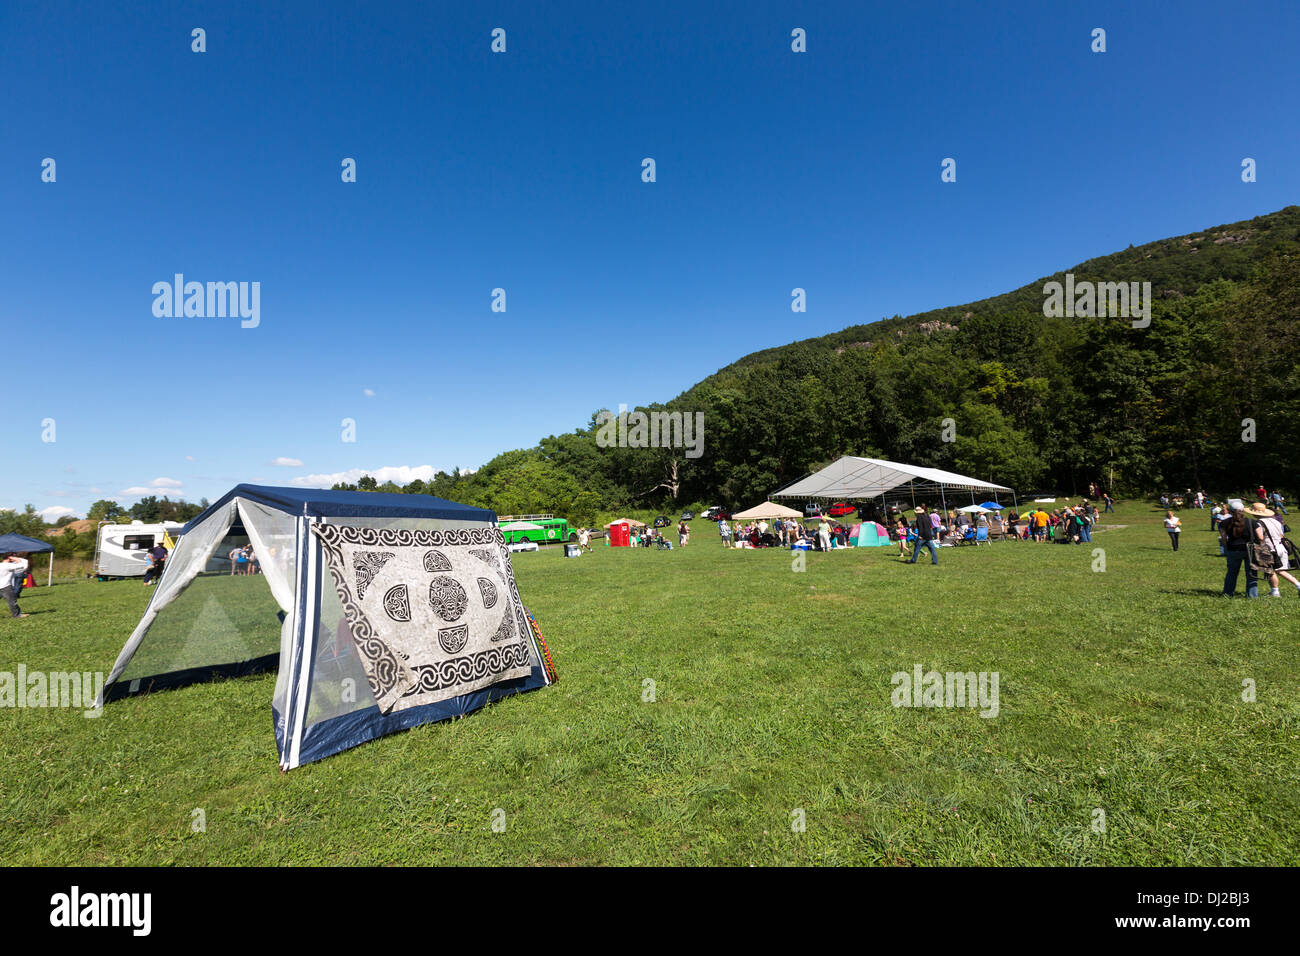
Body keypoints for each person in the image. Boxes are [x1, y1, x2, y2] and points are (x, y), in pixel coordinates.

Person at [1250, 502, 1300, 597]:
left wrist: (1258, 545)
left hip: (1269, 549)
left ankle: (1275, 592)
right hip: (1281, 547)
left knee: (1270, 570)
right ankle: (1298, 585)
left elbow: (1260, 537)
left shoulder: (1259, 523)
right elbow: (1282, 535)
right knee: (1280, 570)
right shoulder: (1276, 521)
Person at [1220, 501, 1258, 598]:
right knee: (1251, 573)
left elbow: (1223, 538)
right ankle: (1252, 595)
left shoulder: (1224, 523)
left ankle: (1228, 593)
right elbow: (1261, 537)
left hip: (1233, 549)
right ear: (1243, 510)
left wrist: (1226, 547)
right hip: (1250, 550)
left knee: (1231, 573)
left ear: (1230, 511)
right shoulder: (1252, 522)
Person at [2, 553, 30, 619]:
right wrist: (17, 559)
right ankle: (17, 615)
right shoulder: (8, 565)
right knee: (12, 602)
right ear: (9, 558)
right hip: (6, 587)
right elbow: (23, 565)